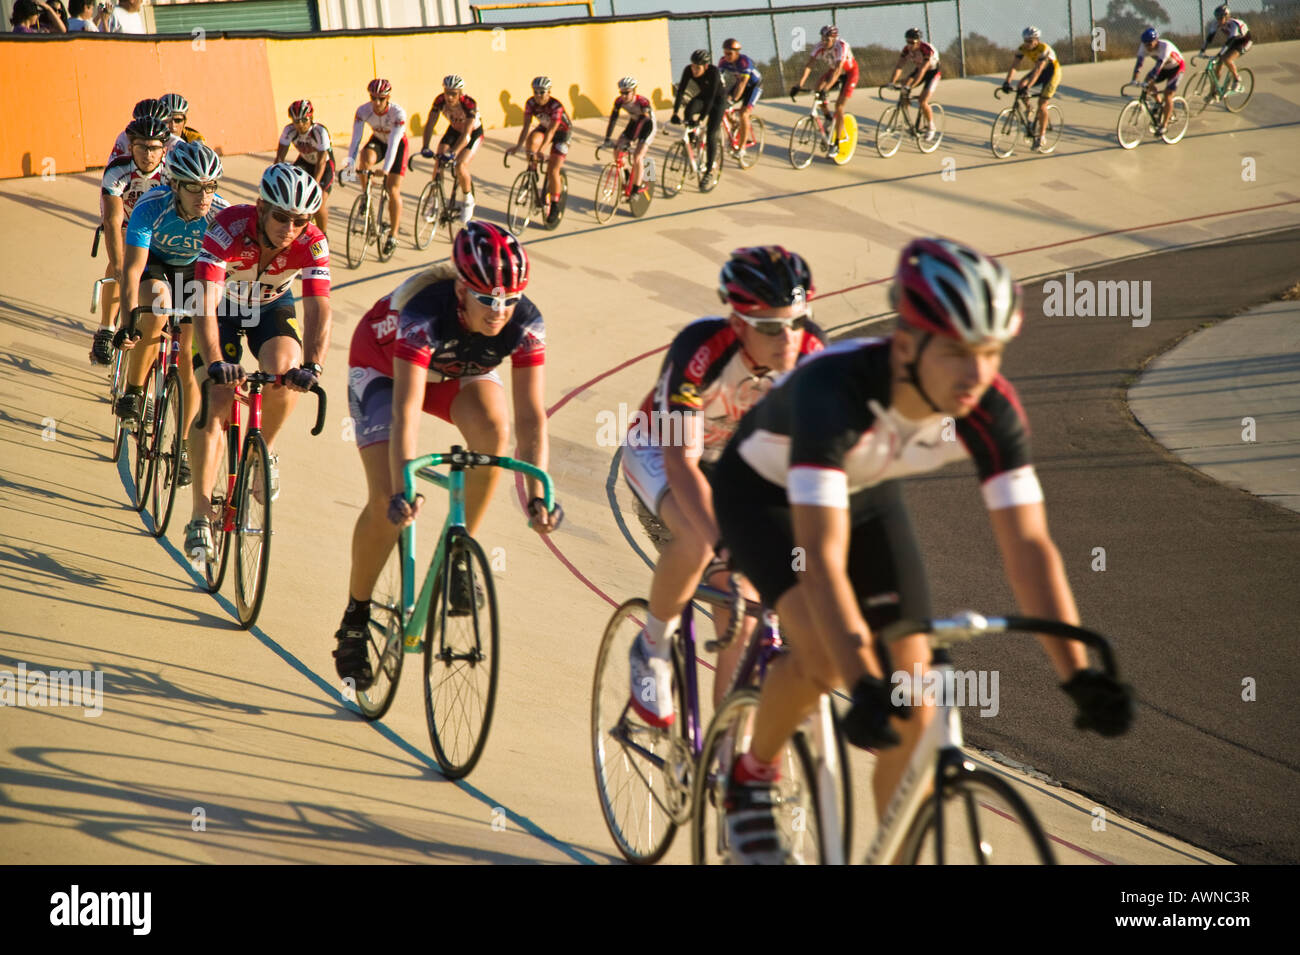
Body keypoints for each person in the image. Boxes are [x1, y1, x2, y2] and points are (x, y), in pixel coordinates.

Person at [709, 237, 1135, 863]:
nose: (978, 373)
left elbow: (1028, 545)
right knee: (827, 656)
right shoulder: (835, 393)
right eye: (960, 352)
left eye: (991, 352)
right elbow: (822, 561)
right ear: (907, 344)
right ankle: (752, 775)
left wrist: (1078, 672)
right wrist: (859, 675)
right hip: (764, 497)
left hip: (866, 493)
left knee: (917, 702)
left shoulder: (992, 409)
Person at [333, 221, 563, 689]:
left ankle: (459, 554)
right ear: (461, 289)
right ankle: (355, 618)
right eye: (486, 300)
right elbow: (405, 415)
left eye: (509, 300)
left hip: (459, 370)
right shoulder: (424, 315)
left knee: (495, 434)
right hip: (386, 371)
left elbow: (532, 418)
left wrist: (540, 494)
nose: (499, 312)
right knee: (385, 504)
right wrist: (402, 490)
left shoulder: (525, 322)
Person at [622, 247, 826, 724]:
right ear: (737, 325)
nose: (789, 337)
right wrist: (730, 549)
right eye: (772, 327)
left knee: (749, 613)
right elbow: (681, 463)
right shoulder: (701, 350)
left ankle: (726, 749)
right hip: (663, 451)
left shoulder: (810, 353)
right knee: (698, 542)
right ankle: (651, 644)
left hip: (738, 470)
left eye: (797, 321)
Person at [184, 163, 333, 563]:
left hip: (270, 307)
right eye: (281, 217)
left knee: (286, 369)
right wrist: (215, 361)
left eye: (300, 220)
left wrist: (313, 366)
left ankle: (259, 454)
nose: (290, 228)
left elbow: (319, 307)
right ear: (261, 207)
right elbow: (203, 301)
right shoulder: (227, 229)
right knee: (216, 398)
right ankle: (200, 513)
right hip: (222, 310)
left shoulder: (313, 241)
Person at [114, 142, 228, 492]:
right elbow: (132, 270)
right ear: (174, 185)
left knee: (189, 365)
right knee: (157, 307)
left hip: (196, 272)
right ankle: (134, 390)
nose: (204, 195)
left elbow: (225, 276)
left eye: (210, 186)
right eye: (194, 186)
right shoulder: (151, 207)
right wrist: (130, 317)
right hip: (156, 265)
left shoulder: (220, 215)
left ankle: (181, 447)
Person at [90, 116, 169, 366]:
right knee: (121, 262)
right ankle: (106, 328)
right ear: (131, 146)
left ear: (164, 150)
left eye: (154, 147)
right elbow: (112, 221)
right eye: (142, 146)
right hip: (126, 223)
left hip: (158, 229)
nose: (148, 153)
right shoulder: (118, 170)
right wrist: (118, 265)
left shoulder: (170, 173)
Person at [342, 78, 407, 256]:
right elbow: (356, 140)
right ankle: (366, 195)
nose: (377, 102)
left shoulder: (397, 113)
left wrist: (385, 169)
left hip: (397, 145)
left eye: (381, 98)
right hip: (378, 141)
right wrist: (350, 165)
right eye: (373, 98)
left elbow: (394, 144)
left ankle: (393, 235)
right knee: (365, 158)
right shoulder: (363, 111)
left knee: (393, 189)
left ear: (388, 98)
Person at [505, 76, 571, 225]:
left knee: (553, 169)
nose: (538, 95)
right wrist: (518, 146)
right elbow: (526, 127)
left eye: (542, 92)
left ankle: (554, 204)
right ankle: (532, 170)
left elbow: (552, 131)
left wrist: (542, 150)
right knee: (531, 140)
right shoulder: (530, 103)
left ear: (549, 92)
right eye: (535, 92)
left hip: (562, 133)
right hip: (545, 128)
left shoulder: (556, 106)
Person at [419, 75, 483, 225]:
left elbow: (466, 135)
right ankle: (434, 199)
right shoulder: (440, 101)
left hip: (472, 134)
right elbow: (429, 124)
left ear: (460, 93)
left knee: (460, 165)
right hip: (454, 131)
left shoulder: (469, 104)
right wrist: (425, 146)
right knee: (438, 161)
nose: (449, 96)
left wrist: (453, 152)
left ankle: (468, 199)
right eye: (447, 92)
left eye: (453, 93)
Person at [792, 25, 859, 147]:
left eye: (826, 39)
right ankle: (828, 117)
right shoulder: (819, 47)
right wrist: (799, 84)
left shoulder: (841, 46)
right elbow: (809, 66)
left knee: (839, 106)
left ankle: (837, 144)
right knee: (817, 89)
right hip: (833, 71)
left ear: (834, 39)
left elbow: (839, 70)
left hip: (849, 73)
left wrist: (826, 89)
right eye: (822, 38)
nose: (823, 42)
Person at [275, 99, 335, 234]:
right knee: (292, 195)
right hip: (305, 162)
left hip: (323, 166)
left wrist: (316, 184)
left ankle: (323, 234)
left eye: (304, 120)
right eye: (296, 121)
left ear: (311, 118)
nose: (300, 124)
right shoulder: (289, 130)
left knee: (318, 203)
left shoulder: (320, 131)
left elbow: (321, 162)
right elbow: (279, 158)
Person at [1003, 26, 1061, 151]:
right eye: (1025, 41)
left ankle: (1041, 136)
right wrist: (1007, 82)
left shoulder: (1043, 49)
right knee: (1020, 86)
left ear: (1037, 40)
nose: (1027, 44)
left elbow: (1039, 69)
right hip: (1038, 72)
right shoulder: (1022, 49)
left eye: (1030, 41)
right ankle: (1029, 109)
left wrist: (1028, 86)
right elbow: (1014, 66)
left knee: (1042, 104)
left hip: (1052, 73)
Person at [670, 51, 724, 183]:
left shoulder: (713, 72)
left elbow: (711, 98)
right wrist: (675, 112)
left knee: (711, 134)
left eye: (697, 68)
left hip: (717, 100)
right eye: (693, 66)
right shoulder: (688, 70)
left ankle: (709, 171)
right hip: (704, 96)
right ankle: (692, 140)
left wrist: (700, 120)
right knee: (688, 110)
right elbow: (681, 91)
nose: (694, 70)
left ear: (705, 66)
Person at [603, 76, 657, 195]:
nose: (623, 95)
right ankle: (627, 175)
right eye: (621, 92)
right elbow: (613, 119)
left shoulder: (642, 102)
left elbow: (644, 120)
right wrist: (607, 138)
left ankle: (636, 189)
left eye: (626, 93)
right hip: (634, 122)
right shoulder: (619, 101)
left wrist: (632, 141)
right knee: (617, 150)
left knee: (637, 156)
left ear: (634, 92)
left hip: (647, 125)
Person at [887, 27, 941, 143]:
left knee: (922, 100)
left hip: (932, 73)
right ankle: (908, 121)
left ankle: (931, 127)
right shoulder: (907, 50)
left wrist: (910, 87)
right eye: (907, 41)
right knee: (904, 88)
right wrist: (892, 82)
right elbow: (899, 66)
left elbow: (922, 71)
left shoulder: (926, 50)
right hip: (919, 70)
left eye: (912, 42)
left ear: (919, 41)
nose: (910, 45)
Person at [1132, 27, 1185, 138]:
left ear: (1156, 40)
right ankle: (1158, 102)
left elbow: (1158, 67)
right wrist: (1134, 79)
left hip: (1176, 68)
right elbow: (1139, 64)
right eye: (1145, 45)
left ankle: (1164, 125)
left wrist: (1150, 79)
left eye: (1150, 45)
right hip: (1164, 68)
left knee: (1168, 94)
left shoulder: (1165, 47)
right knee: (1147, 81)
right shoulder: (1144, 46)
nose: (1148, 48)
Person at [718, 39, 762, 155]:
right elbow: (717, 81)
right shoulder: (723, 62)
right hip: (740, 84)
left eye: (729, 53)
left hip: (753, 86)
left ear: (737, 53)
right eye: (725, 53)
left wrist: (733, 100)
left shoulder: (744, 62)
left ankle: (742, 148)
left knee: (743, 113)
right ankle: (735, 124)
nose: (726, 56)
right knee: (722, 106)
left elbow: (742, 84)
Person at [1199, 4, 1252, 93]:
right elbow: (1209, 38)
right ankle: (1213, 93)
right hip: (1233, 42)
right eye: (1217, 18)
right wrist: (1202, 50)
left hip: (1244, 42)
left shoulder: (1234, 25)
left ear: (1227, 17)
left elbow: (1229, 43)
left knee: (1226, 59)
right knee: (1218, 66)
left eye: (1220, 18)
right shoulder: (1216, 24)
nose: (1218, 21)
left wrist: (1219, 54)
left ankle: (1237, 79)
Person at [107, 99, 177, 165]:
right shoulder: (124, 138)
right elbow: (112, 169)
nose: (150, 133)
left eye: (156, 125)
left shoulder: (175, 143)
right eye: (143, 125)